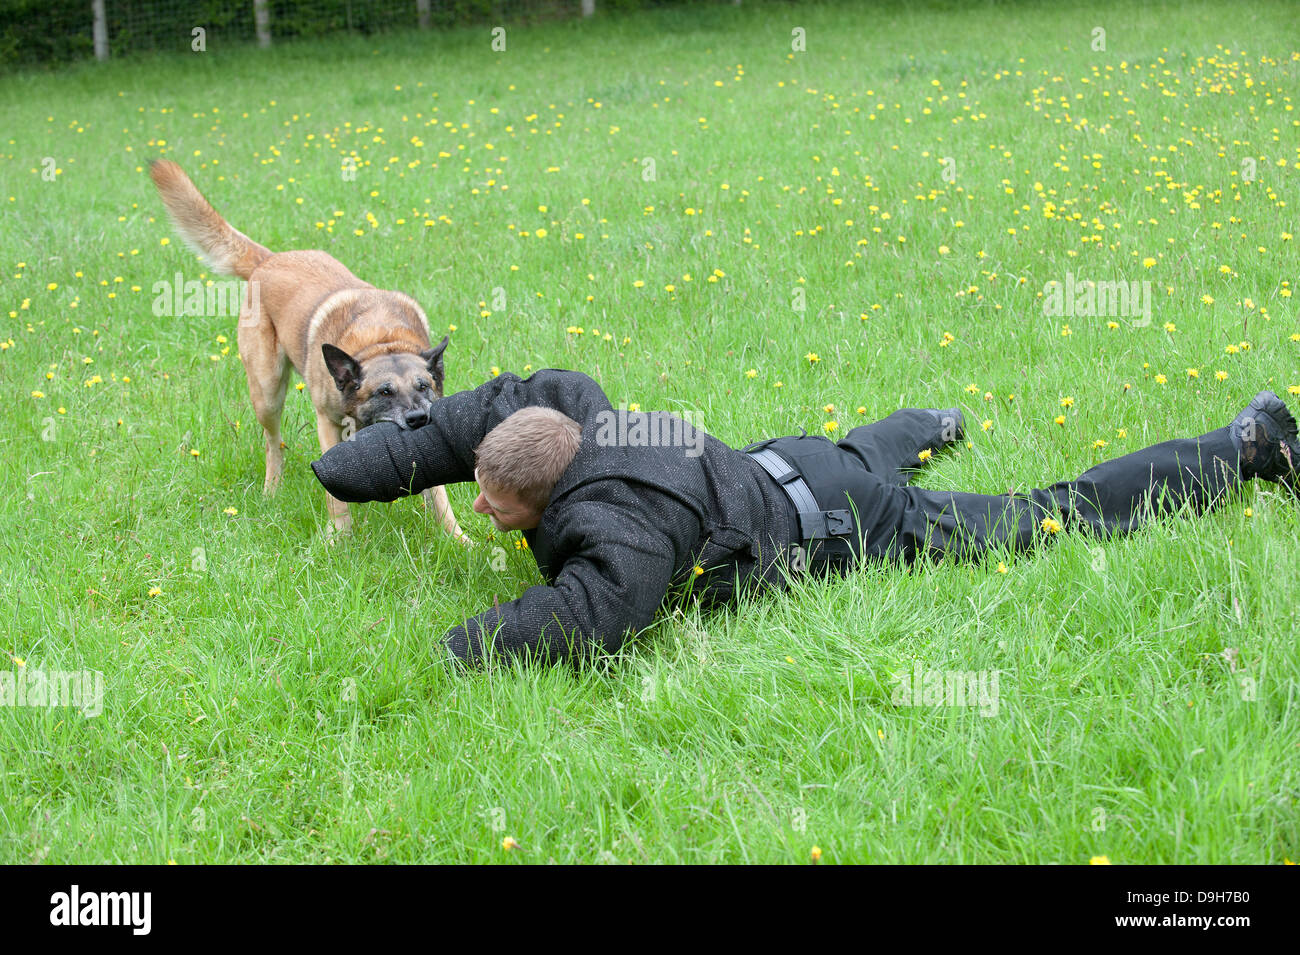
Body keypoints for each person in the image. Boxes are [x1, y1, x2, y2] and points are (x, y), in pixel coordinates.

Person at [309, 369, 1300, 667]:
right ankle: (930, 418)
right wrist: (346, 467)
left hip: (843, 515)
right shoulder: (570, 415)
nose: (476, 505)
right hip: (792, 460)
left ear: (555, 496)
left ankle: (1247, 444)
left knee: (1040, 517)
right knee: (857, 453)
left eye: (495, 504)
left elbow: (583, 618)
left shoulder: (626, 531)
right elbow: (457, 427)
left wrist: (441, 657)